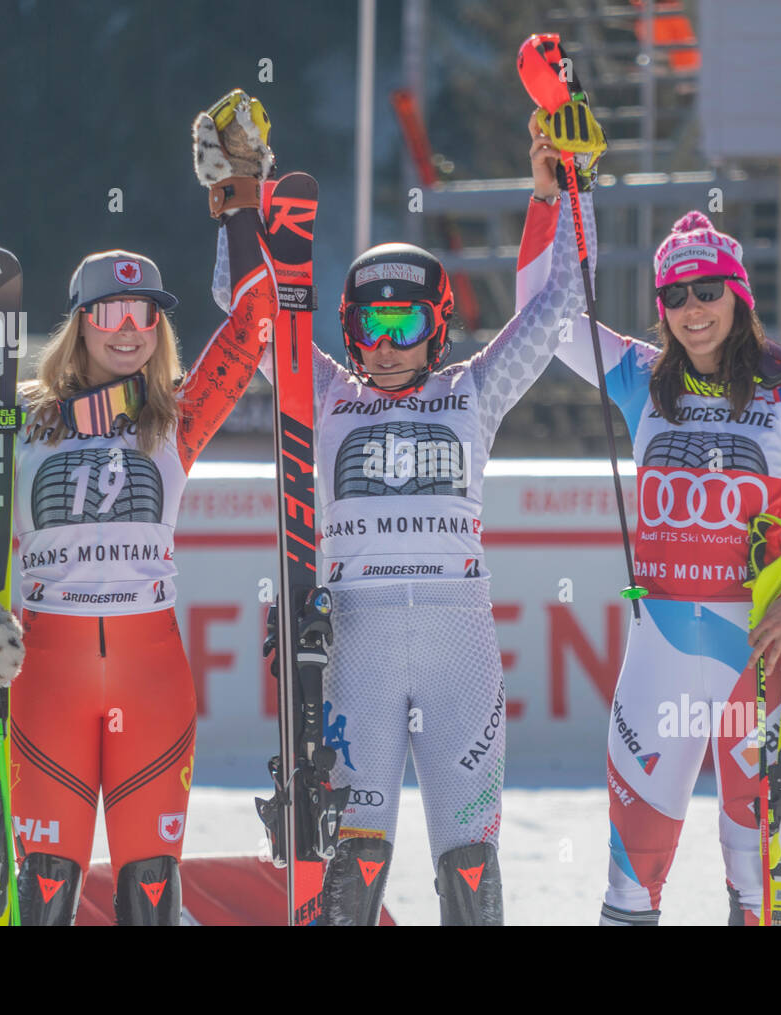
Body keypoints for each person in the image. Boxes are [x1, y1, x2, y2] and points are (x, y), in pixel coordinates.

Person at [207, 104, 598, 925]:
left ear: (437, 328)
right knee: (354, 860)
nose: (386, 344)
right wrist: (243, 194)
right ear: (348, 330)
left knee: (469, 861)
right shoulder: (324, 393)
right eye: (370, 324)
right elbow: (242, 305)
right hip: (358, 641)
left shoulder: (474, 390)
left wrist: (570, 185)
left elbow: (562, 304)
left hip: (460, 642)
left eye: (405, 323)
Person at [0, 91, 278, 925]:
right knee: (44, 892)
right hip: (46, 676)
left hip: (152, 680)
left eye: (146, 317)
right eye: (110, 316)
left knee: (149, 898)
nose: (129, 332)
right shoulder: (20, 421)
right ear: (79, 325)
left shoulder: (176, 421)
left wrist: (240, 198)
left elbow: (257, 320)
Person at [516, 196, 781, 925]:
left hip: (759, 652)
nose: (693, 309)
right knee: (630, 882)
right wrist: (549, 196)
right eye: (676, 295)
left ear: (738, 295)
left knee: (757, 883)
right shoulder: (639, 375)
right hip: (659, 652)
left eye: (709, 290)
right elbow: (538, 314)